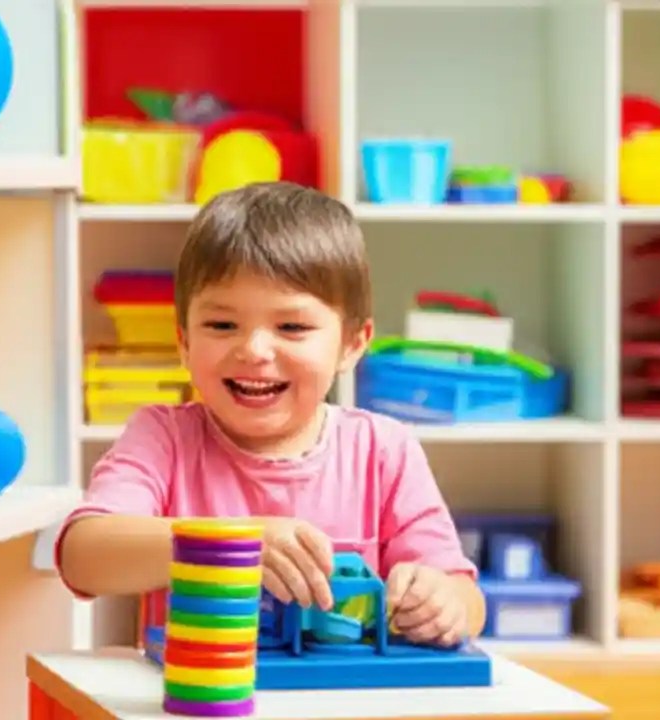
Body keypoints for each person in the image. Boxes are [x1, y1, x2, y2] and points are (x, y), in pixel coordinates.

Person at [55, 181, 485, 647]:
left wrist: (444, 605)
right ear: (183, 341)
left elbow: (466, 597)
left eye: (292, 327)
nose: (254, 350)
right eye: (222, 325)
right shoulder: (163, 437)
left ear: (352, 344)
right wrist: (236, 543)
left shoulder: (383, 450)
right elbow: (83, 554)